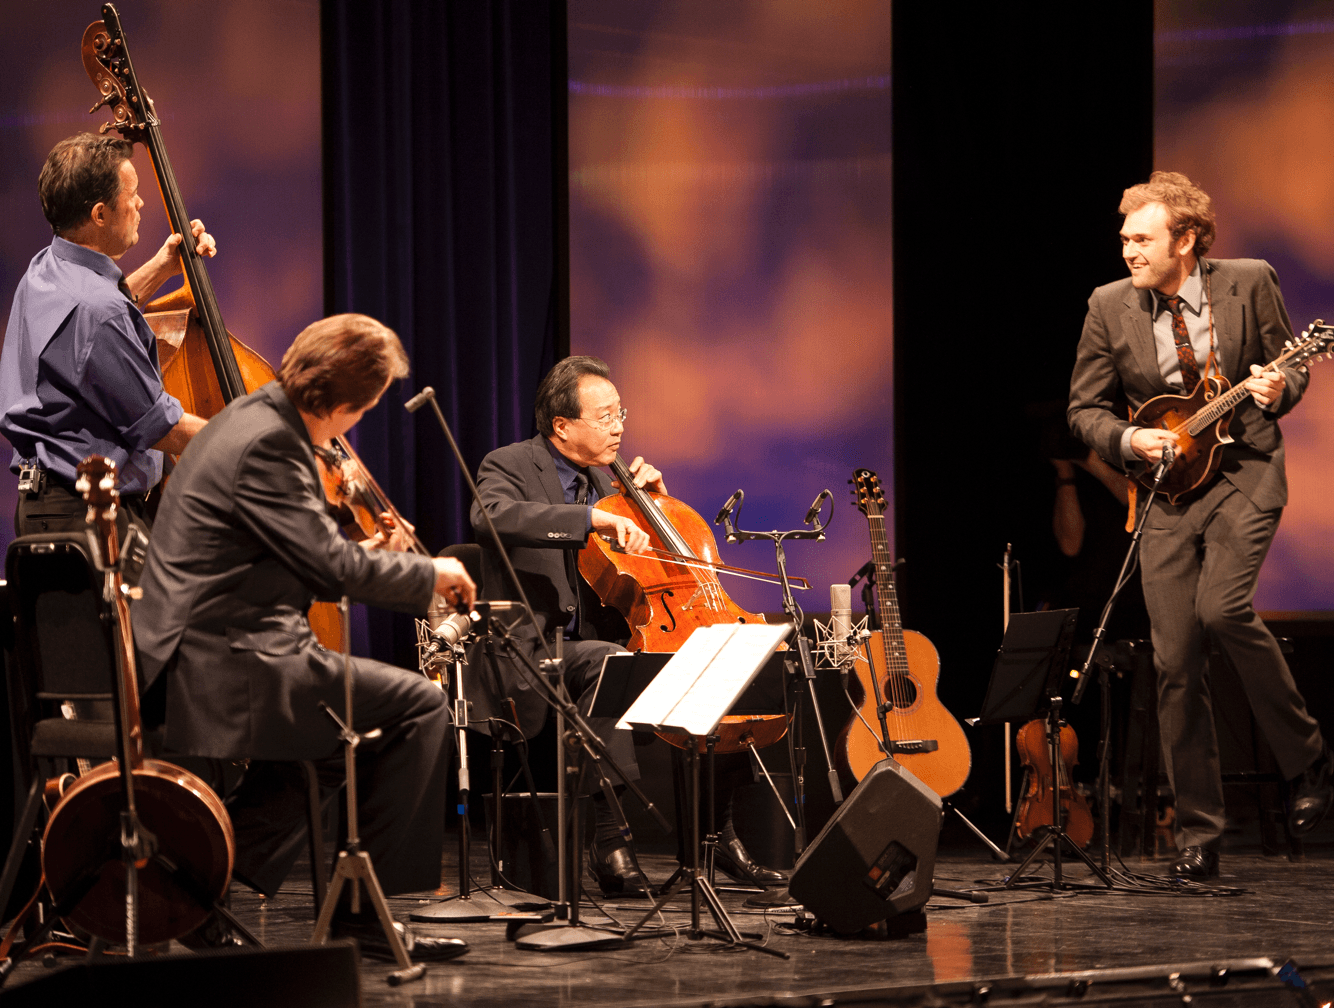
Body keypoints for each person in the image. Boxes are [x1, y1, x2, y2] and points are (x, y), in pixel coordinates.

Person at [133, 313, 474, 958]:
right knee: (421, 705)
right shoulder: (271, 443)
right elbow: (327, 567)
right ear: (343, 403)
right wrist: (429, 572)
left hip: (223, 645)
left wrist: (366, 554)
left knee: (325, 747)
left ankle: (199, 891)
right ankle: (363, 919)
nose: (357, 424)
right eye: (364, 409)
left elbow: (289, 562)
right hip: (222, 660)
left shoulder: (252, 419)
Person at [1068, 171, 1332, 879]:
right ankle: (1199, 835)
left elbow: (1291, 368)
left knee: (1221, 609)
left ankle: (1309, 760)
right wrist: (1130, 439)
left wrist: (1278, 387)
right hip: (1167, 489)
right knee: (1175, 661)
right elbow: (1085, 410)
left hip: (1244, 474)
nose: (1129, 251)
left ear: (1184, 240)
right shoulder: (1107, 305)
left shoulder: (1249, 281)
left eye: (1142, 238)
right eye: (1125, 239)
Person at [470, 355, 784, 895]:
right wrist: (589, 518)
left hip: (610, 640)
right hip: (535, 649)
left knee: (720, 668)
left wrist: (653, 502)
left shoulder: (613, 483)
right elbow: (490, 516)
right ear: (562, 425)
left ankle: (716, 837)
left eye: (621, 414)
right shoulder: (511, 464)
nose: (618, 427)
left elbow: (660, 570)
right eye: (605, 416)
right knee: (608, 664)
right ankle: (611, 843)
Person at [1, 133, 212, 545]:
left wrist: (162, 265)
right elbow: (160, 426)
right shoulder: (99, 313)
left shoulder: (45, 268)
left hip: (46, 510)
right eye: (132, 195)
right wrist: (247, 438)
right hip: (90, 519)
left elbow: (97, 313)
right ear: (100, 214)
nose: (141, 203)